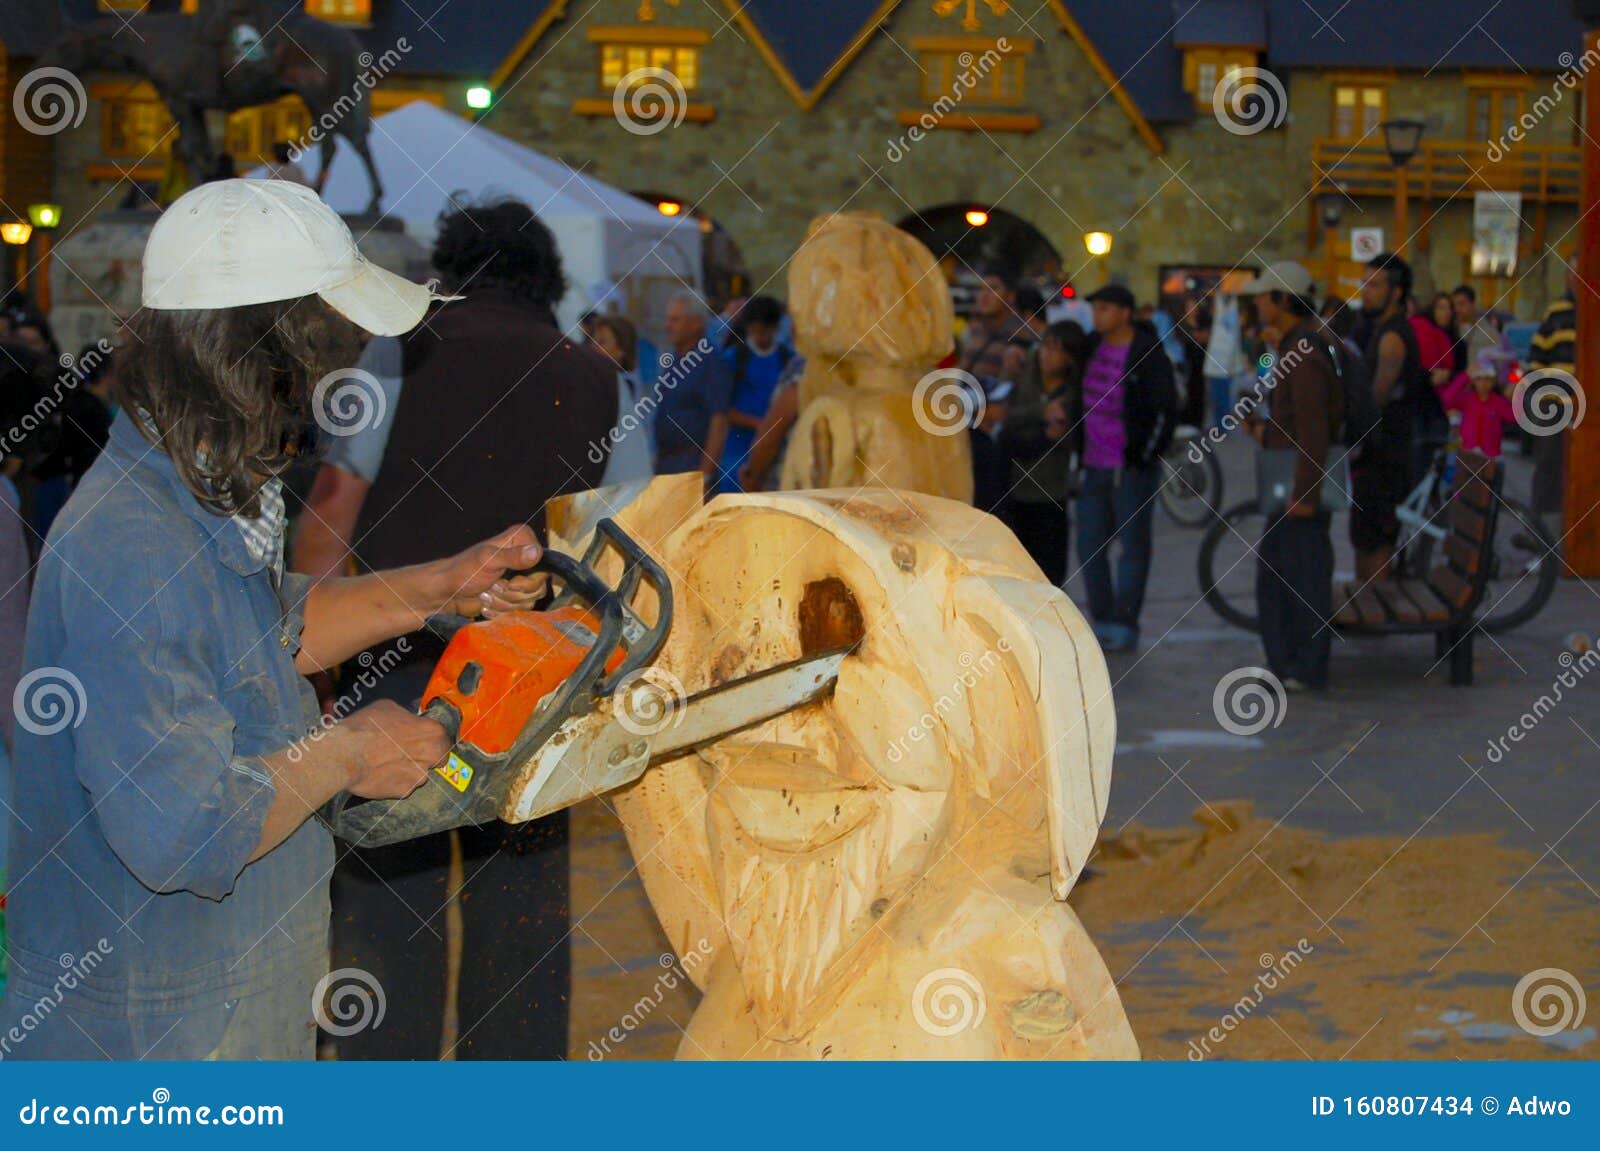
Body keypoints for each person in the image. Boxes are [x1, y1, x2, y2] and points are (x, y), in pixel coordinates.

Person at [1, 178, 546, 1060]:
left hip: (220, 1004)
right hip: (153, 1047)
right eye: (329, 349)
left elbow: (258, 628)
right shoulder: (130, 541)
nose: (338, 381)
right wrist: (350, 751)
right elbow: (185, 827)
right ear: (252, 354)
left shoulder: (190, 487)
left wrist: (439, 585)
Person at [292, 195, 617, 1061]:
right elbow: (617, 541)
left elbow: (329, 518)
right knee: (523, 916)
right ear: (545, 279)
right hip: (539, 686)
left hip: (398, 672)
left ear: (449, 270)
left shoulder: (396, 354)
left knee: (388, 906)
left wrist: (311, 663)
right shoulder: (597, 376)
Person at [1239, 263, 1343, 692]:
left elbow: (1313, 429)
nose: (1258, 304)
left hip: (1299, 492)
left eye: (1264, 297)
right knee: (1284, 575)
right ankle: (1289, 663)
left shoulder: (1303, 354)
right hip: (1295, 486)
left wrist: (1305, 493)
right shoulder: (1296, 346)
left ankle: (1303, 666)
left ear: (1283, 300)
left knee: (1298, 578)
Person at [1070, 284, 1178, 652]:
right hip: (1093, 465)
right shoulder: (1090, 346)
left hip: (1130, 468)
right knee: (1089, 545)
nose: (1097, 315)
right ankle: (1102, 619)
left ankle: (1124, 623)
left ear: (1124, 313)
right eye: (1095, 308)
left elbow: (1165, 409)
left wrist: (1143, 457)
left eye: (1104, 308)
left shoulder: (1147, 353)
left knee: (1132, 547)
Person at [1350, 252, 1424, 582]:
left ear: (1396, 292)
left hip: (1387, 458)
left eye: (1375, 284)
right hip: (1375, 456)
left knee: (1376, 540)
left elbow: (1375, 400)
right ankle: (1367, 602)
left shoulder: (1393, 337)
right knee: (1364, 537)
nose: (1365, 291)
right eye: (1364, 282)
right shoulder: (1381, 331)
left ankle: (1376, 604)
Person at [1001, 320, 1085, 586]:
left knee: (1050, 577)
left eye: (1057, 350)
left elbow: (1076, 437)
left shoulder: (1076, 391)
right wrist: (1041, 411)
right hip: (1014, 489)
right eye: (1046, 346)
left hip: (1051, 493)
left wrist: (1059, 433)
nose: (1048, 355)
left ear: (1070, 357)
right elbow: (1001, 416)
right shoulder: (1021, 373)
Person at [654, 292, 736, 485]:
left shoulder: (711, 363)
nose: (668, 326)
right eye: (668, 319)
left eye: (675, 320)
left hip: (692, 465)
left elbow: (719, 421)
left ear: (696, 323)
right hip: (667, 466)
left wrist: (705, 476)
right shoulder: (674, 360)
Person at [717, 294, 791, 494]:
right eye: (756, 331)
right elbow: (723, 411)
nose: (761, 337)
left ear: (776, 328)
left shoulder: (788, 360)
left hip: (777, 461)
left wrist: (772, 429)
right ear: (748, 328)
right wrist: (764, 426)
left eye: (767, 331)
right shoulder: (732, 360)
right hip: (736, 459)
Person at [1528, 263, 1577, 533]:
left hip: (1590, 409)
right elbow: (1537, 357)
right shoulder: (1556, 312)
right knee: (1548, 465)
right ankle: (1538, 531)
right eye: (1573, 272)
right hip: (1556, 404)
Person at [589, 314, 655, 485]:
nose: (593, 348)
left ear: (621, 350)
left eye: (602, 342)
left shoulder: (622, 386)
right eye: (593, 342)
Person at [1409, 292, 1456, 482]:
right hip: (1422, 405)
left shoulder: (1448, 336)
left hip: (1439, 406)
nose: (1447, 313)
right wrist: (1431, 376)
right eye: (1441, 307)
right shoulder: (1422, 328)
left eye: (1449, 308)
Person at [1438, 351, 1515, 458]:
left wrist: (1513, 397)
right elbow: (1447, 400)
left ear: (1493, 381)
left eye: (1487, 379)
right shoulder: (1467, 399)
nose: (1483, 383)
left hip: (1490, 456)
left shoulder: (1499, 402)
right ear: (1473, 381)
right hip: (1467, 453)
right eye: (1479, 379)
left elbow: (1513, 418)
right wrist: (1465, 377)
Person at [1451, 283, 1502, 371]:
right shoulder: (1451, 330)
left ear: (1473, 304)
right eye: (1455, 305)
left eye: (1462, 304)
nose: (1457, 308)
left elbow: (1500, 357)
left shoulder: (1488, 330)